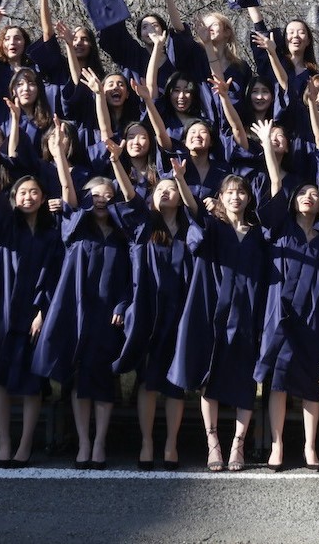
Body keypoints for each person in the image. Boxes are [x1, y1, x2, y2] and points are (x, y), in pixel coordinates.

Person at [35, 133, 133, 470]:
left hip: (108, 316)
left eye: (108, 195)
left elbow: (128, 280)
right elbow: (66, 191)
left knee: (102, 378)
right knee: (78, 378)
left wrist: (122, 307)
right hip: (77, 311)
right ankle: (84, 442)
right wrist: (60, 155)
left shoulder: (123, 237)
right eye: (96, 194)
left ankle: (101, 443)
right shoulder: (75, 228)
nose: (102, 200)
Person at [251, 120, 319, 473]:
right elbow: (275, 185)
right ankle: (277, 447)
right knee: (276, 383)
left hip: (312, 324)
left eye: (315, 195)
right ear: (293, 203)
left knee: (309, 385)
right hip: (279, 320)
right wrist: (266, 147)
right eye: (304, 193)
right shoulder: (279, 231)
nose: (309, 197)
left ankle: (309, 447)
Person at [0, 158, 64, 467]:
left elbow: (57, 276)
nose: (28, 197)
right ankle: (4, 442)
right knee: (0, 380)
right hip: (4, 311)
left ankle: (25, 444)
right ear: (15, 198)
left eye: (34, 192)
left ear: (43, 197)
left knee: (33, 382)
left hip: (34, 315)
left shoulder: (53, 234)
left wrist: (43, 311)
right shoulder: (6, 228)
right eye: (22, 193)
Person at [168, 174, 269, 473]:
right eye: (229, 192)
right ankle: (213, 443)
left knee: (245, 379)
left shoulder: (257, 235)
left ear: (249, 198)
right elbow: (193, 212)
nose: (235, 197)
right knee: (209, 381)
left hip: (247, 313)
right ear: (221, 198)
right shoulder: (213, 227)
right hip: (214, 312)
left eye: (241, 192)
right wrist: (180, 179)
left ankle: (238, 443)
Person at [114, 153, 197, 471]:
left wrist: (179, 178)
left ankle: (171, 444)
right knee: (149, 381)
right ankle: (147, 441)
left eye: (171, 189)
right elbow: (129, 195)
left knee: (175, 383)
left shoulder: (190, 230)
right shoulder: (143, 227)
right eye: (159, 188)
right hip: (150, 315)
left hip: (180, 315)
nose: (165, 192)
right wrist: (116, 163)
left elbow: (193, 208)